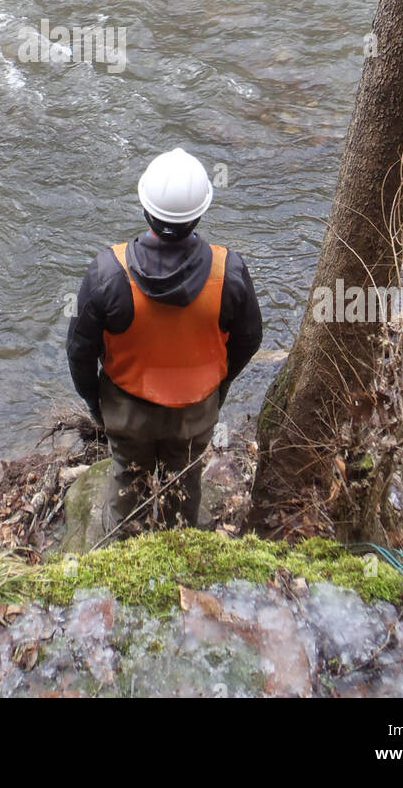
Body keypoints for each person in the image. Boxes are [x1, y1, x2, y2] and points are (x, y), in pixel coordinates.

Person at [67, 147, 263, 537]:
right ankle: (180, 543)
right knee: (184, 483)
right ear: (200, 213)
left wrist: (97, 406)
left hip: (126, 412)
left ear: (145, 209)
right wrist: (218, 388)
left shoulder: (107, 272)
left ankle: (126, 553)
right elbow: (249, 340)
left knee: (128, 483)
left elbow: (79, 351)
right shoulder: (231, 273)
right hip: (195, 412)